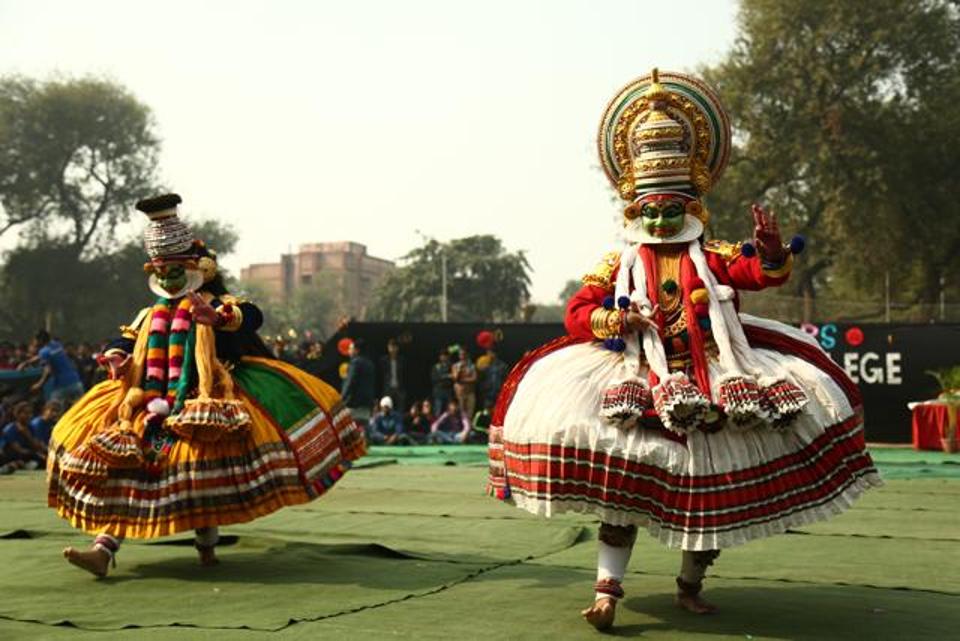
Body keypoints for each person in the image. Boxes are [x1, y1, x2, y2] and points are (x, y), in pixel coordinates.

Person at [486, 70, 880, 630]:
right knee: (622, 488)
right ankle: (607, 592)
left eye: (672, 209)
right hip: (634, 373)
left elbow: (756, 272)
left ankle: (690, 586)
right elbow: (577, 314)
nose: (661, 220)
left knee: (709, 493)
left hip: (717, 373)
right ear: (633, 209)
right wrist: (619, 316)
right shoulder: (616, 263)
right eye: (651, 211)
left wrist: (769, 251)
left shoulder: (713, 254)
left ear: (692, 204)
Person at [47, 194, 366, 578]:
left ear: (196, 266)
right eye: (159, 267)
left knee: (196, 473)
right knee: (127, 470)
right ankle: (103, 549)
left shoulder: (220, 303)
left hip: (207, 399)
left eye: (172, 267)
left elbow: (251, 316)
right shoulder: (151, 313)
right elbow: (129, 340)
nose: (165, 275)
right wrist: (117, 356)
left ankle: (206, 548)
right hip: (148, 399)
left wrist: (215, 317)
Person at [18, 330, 84, 405]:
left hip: (62, 386)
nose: (33, 341)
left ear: (40, 340)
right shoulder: (57, 344)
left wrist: (39, 384)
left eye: (35, 339)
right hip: (76, 382)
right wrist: (27, 362)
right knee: (81, 410)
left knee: (53, 409)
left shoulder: (43, 351)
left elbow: (48, 371)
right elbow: (45, 355)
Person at [341, 338, 376, 427]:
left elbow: (350, 382)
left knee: (351, 433)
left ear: (356, 350)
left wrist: (342, 398)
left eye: (350, 349)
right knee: (363, 431)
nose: (349, 351)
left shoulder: (355, 363)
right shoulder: (370, 363)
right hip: (366, 404)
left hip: (354, 404)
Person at [1, 401, 47, 469]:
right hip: (15, 454)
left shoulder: (30, 427)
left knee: (42, 459)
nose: (29, 416)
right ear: (17, 414)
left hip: (27, 454)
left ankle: (22, 464)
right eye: (26, 413)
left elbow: (37, 446)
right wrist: (35, 454)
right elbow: (18, 449)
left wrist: (26, 434)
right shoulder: (10, 429)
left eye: (30, 413)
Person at [379, 338, 407, 412]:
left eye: (394, 347)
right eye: (391, 347)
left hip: (399, 388)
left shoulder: (401, 360)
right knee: (387, 408)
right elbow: (381, 375)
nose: (392, 349)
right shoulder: (384, 360)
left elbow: (405, 375)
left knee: (400, 409)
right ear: (388, 348)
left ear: (397, 348)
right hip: (388, 387)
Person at [451, 349, 478, 421]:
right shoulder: (455, 366)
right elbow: (455, 379)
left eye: (464, 354)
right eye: (461, 354)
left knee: (470, 411)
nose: (462, 356)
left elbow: (474, 378)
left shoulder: (471, 366)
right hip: (460, 393)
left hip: (470, 392)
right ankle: (461, 428)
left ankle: (469, 428)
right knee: (460, 411)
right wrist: (459, 369)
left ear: (467, 355)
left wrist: (462, 380)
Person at [430, 351, 454, 416]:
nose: (444, 357)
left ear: (448, 357)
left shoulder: (452, 366)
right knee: (438, 411)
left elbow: (454, 377)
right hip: (438, 391)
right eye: (442, 355)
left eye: (445, 355)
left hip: (448, 391)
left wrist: (446, 376)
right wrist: (447, 376)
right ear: (440, 357)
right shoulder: (436, 366)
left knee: (449, 411)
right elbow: (434, 378)